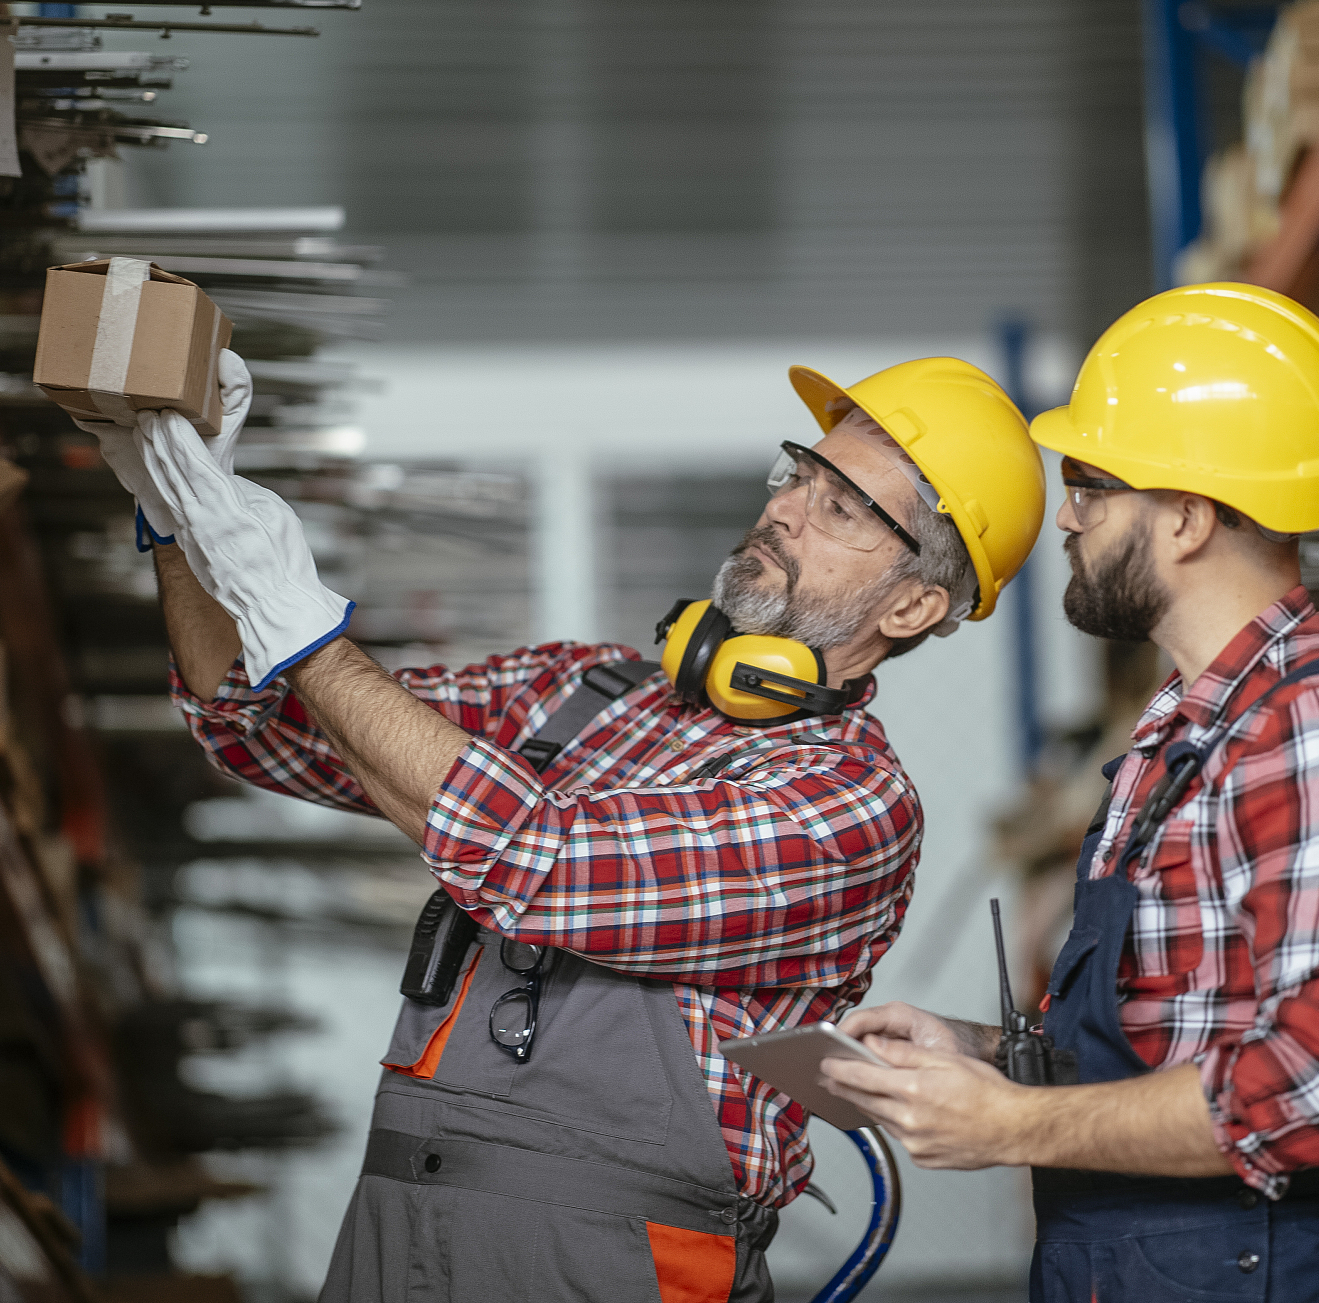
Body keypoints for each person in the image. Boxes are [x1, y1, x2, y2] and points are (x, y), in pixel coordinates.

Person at [78, 351, 1045, 1302]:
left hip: (608, 1251)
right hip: (394, 1211)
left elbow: (539, 866)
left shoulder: (847, 805)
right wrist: (187, 526)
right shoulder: (581, 690)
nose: (785, 507)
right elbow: (261, 724)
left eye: (841, 508)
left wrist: (302, 623)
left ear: (915, 604)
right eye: (799, 472)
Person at [822, 283, 1319, 1303]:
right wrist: (991, 1054)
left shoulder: (1317, 730)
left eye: (1088, 484)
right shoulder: (1180, 734)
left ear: (1183, 515)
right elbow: (1175, 1030)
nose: (1068, 520)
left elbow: (1318, 1088)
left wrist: (1005, 1124)